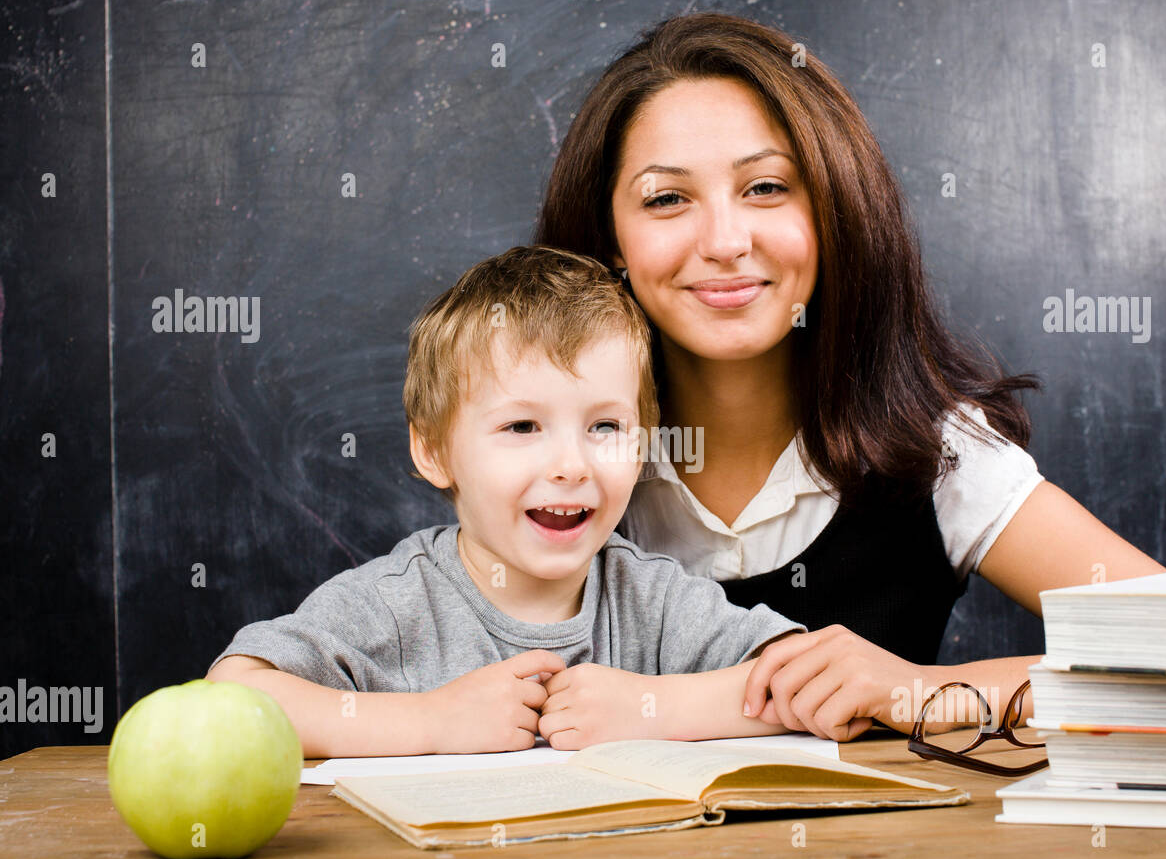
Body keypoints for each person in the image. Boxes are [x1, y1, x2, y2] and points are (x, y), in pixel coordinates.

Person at [533, 12, 1166, 745]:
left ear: (836, 210)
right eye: (667, 199)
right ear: (609, 238)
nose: (725, 242)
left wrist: (925, 690)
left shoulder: (936, 450)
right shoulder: (555, 461)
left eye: (766, 188)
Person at [206, 246, 806, 758]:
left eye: (605, 427)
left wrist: (656, 709)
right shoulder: (394, 606)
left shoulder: (651, 600)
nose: (571, 466)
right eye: (522, 427)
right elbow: (231, 698)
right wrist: (433, 722)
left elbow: (807, 679)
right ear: (434, 451)